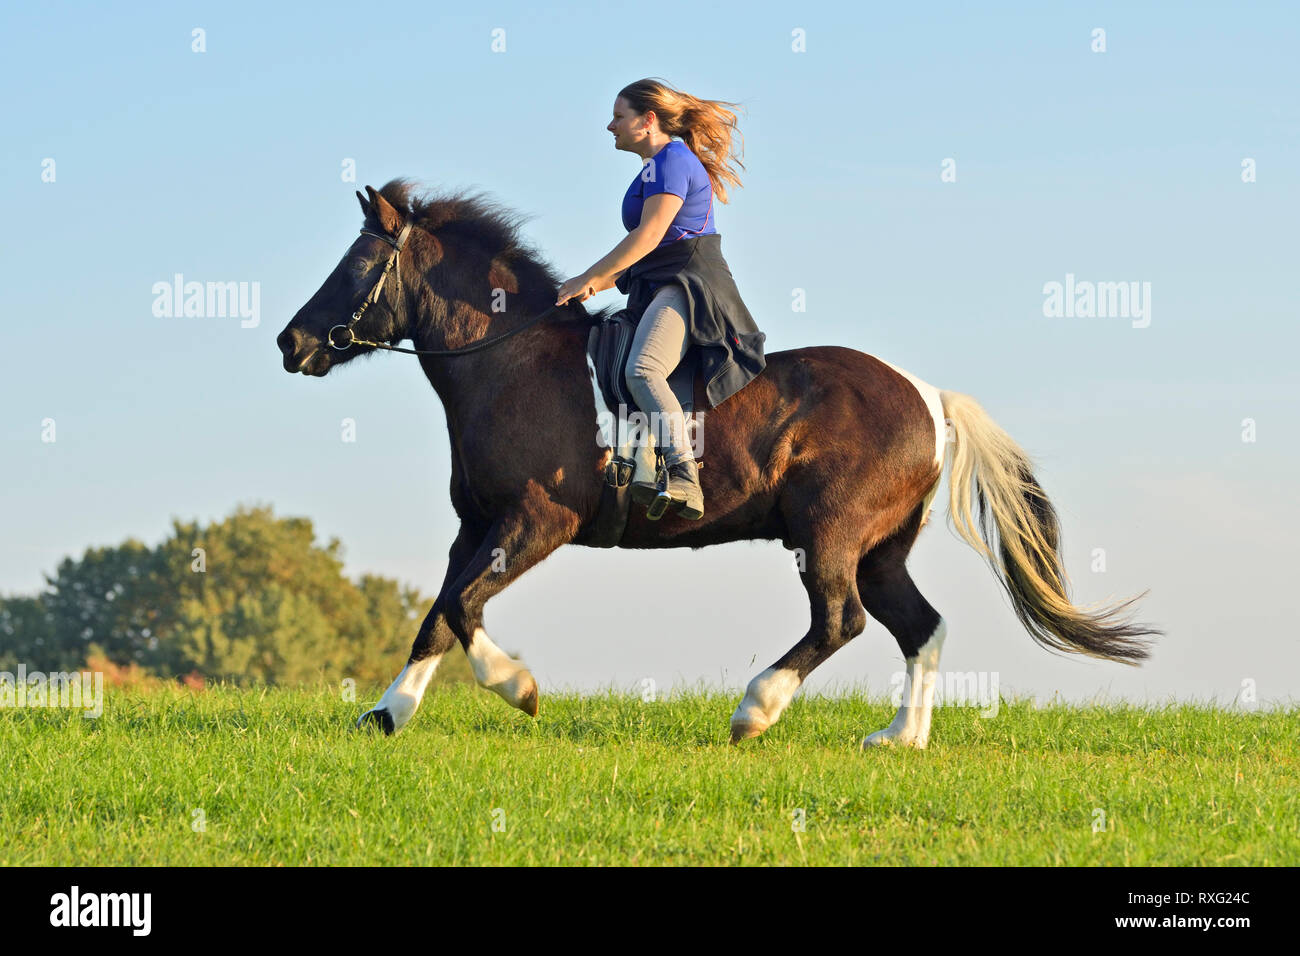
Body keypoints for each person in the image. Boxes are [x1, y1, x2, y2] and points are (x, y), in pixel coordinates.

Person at [556, 78, 766, 521]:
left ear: (647, 120)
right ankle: (642, 463)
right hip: (658, 280)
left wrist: (589, 275)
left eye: (619, 116)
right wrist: (596, 284)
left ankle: (685, 475)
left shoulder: (673, 161)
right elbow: (645, 249)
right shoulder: (655, 165)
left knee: (643, 368)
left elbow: (650, 236)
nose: (609, 126)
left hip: (690, 285)